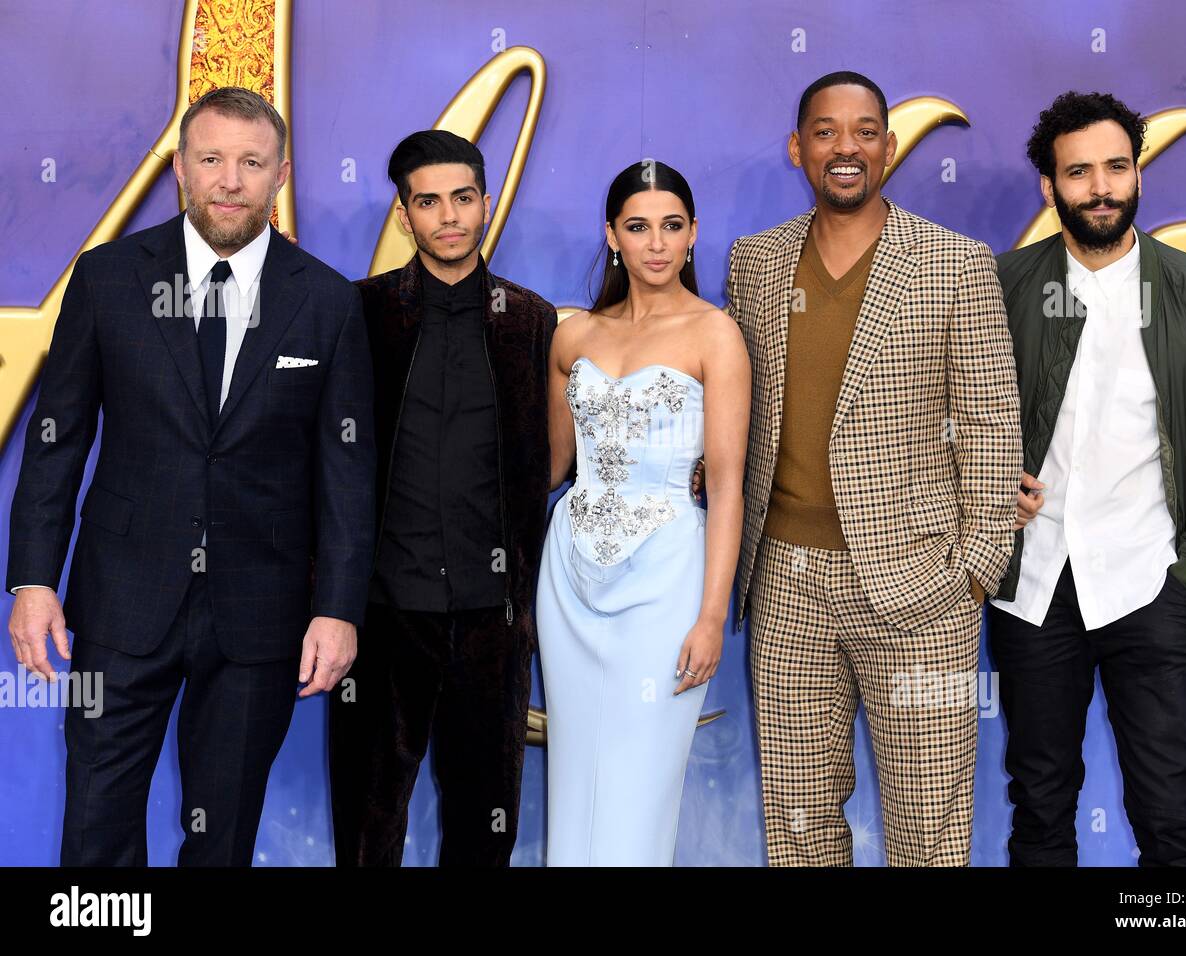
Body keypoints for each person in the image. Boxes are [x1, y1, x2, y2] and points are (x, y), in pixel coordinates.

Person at [5, 86, 375, 865]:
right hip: (120, 603)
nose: (230, 180)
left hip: (260, 614)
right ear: (180, 167)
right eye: (211, 159)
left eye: (250, 162)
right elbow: (56, 438)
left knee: (223, 834)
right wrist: (34, 581)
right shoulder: (107, 279)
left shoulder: (327, 302)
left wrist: (338, 609)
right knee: (96, 825)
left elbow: (347, 473)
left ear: (280, 173)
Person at [724, 71, 1022, 866]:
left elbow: (995, 424)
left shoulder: (956, 263)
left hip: (923, 588)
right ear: (798, 148)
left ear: (889, 148)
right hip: (784, 582)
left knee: (930, 829)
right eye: (825, 131)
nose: (844, 147)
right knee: (798, 827)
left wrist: (976, 570)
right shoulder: (754, 265)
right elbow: (728, 408)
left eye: (863, 132)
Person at [987, 91, 1186, 867]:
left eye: (1117, 167)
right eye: (1079, 173)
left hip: (1152, 581)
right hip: (1035, 585)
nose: (1101, 187)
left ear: (1139, 173)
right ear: (1049, 187)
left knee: (1171, 813)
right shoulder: (1001, 289)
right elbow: (945, 427)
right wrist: (982, 488)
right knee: (1039, 807)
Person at [327, 131, 556, 866]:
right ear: (404, 214)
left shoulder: (530, 321)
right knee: (366, 834)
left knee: (485, 837)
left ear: (486, 203)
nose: (449, 216)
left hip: (492, 620)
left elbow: (554, 460)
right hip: (381, 616)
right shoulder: (357, 315)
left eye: (463, 198)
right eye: (429, 201)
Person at [537, 159, 750, 866]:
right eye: (638, 227)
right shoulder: (573, 337)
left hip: (668, 581)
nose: (655, 243)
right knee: (575, 782)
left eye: (671, 226)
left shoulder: (716, 335)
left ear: (692, 236)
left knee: (638, 793)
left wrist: (712, 617)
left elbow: (727, 487)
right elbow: (551, 470)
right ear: (612, 235)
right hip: (567, 577)